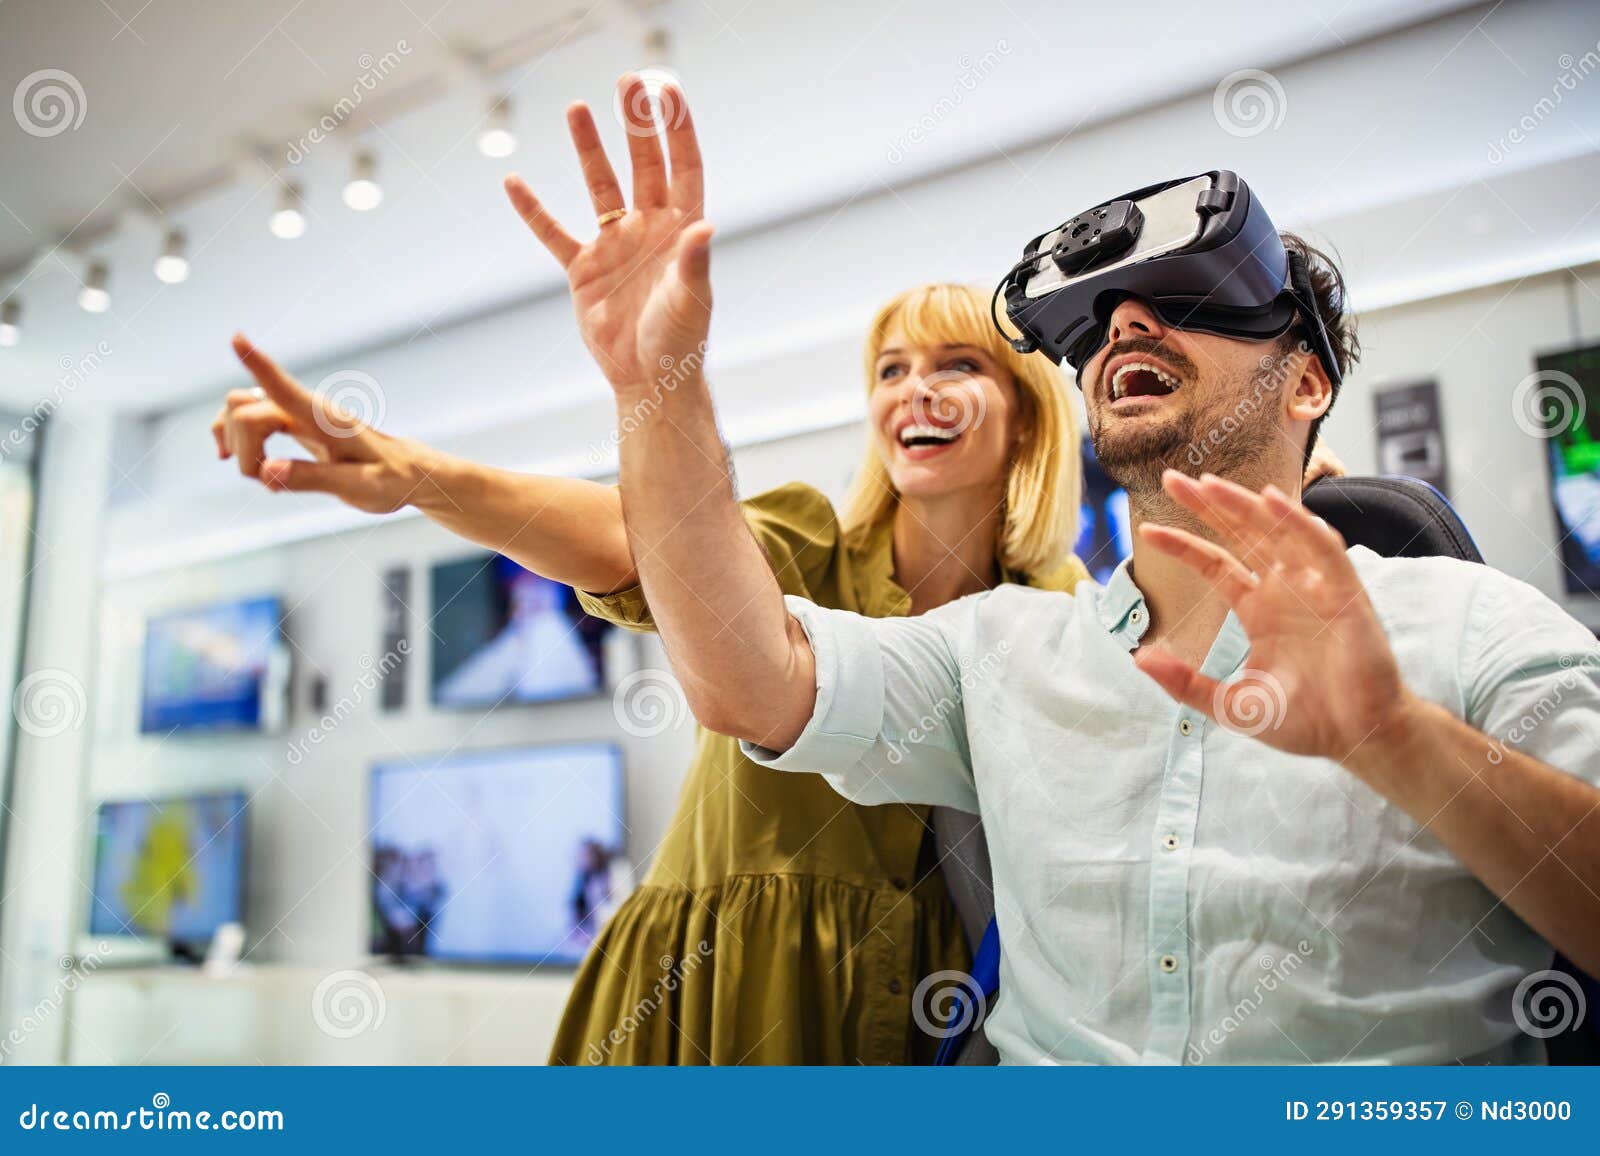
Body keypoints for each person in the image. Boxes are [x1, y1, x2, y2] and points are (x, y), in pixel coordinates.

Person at [212, 78, 1341, 1062]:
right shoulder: (803, 544)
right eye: (891, 369)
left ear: (1029, 414)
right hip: (710, 993)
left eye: (958, 365)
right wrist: (413, 471)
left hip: (933, 1018)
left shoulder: (1061, 619)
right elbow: (624, 536)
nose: (916, 391)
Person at [563, 90, 1600, 1060]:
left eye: (1186, 299)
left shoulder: (1474, 626)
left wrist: (1398, 739)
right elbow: (750, 674)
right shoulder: (1003, 649)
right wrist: (659, 388)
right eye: (1100, 318)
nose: (1125, 327)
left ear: (1308, 382)